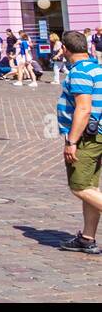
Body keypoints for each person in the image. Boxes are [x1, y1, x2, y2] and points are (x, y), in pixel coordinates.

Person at [57, 31, 102, 254]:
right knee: (91, 187)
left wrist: (71, 141)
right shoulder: (97, 68)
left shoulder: (80, 73)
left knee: (80, 187)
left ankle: (87, 238)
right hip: (98, 134)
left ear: (65, 48)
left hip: (87, 137)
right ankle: (87, 238)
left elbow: (83, 109)